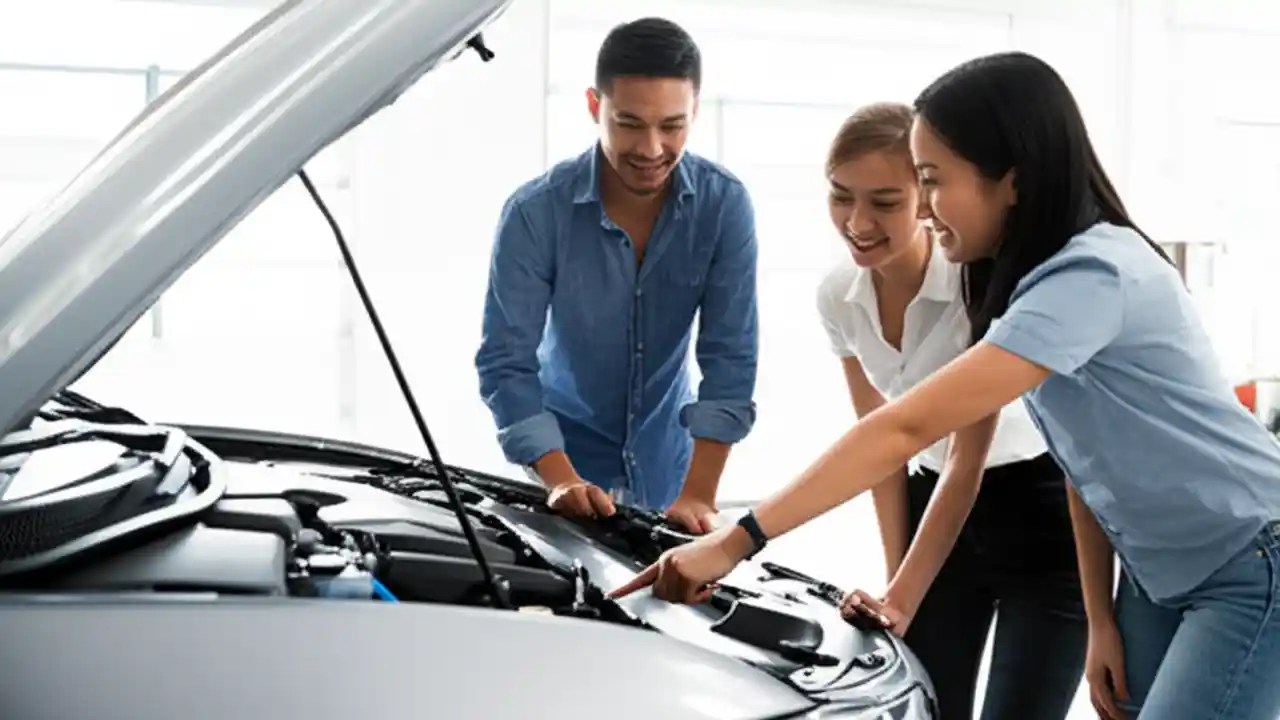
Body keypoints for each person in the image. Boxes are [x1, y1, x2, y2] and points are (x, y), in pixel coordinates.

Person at [612, 51, 1280, 720]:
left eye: (932, 181)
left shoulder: (1092, 277)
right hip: (1160, 572)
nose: (926, 210)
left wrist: (735, 541)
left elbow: (905, 427)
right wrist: (1102, 617)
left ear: (1010, 182)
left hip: (1251, 559)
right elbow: (1088, 466)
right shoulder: (1031, 286)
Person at [815, 101, 1085, 719]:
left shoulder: (977, 286)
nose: (858, 221)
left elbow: (967, 461)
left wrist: (905, 595)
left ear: (926, 197)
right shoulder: (838, 295)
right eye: (840, 196)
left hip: (1035, 516)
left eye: (884, 201)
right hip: (931, 510)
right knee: (926, 708)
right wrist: (896, 583)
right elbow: (881, 451)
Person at [474, 17, 759, 534]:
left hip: (672, 472)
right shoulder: (534, 213)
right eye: (629, 123)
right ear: (593, 106)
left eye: (672, 125)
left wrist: (700, 494)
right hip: (557, 471)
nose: (651, 149)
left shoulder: (724, 205)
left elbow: (730, 359)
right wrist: (561, 480)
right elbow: (506, 363)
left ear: (695, 111)